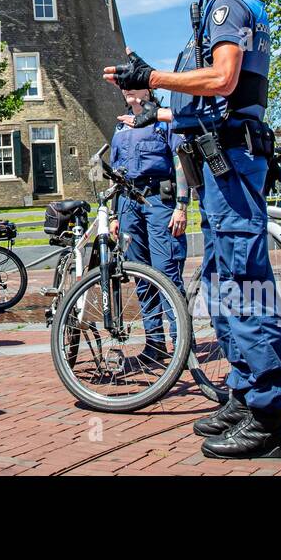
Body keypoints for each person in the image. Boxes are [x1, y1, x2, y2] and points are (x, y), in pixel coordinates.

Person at [103, 0, 281, 460]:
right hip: (215, 162)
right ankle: (242, 392)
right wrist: (147, 97)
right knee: (221, 280)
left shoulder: (230, 6)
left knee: (242, 276)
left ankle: (266, 416)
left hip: (230, 160)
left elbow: (223, 80)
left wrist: (155, 77)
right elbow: (202, 97)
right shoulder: (213, 9)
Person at [109, 88, 189, 365]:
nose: (128, 89)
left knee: (167, 274)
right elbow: (114, 172)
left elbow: (181, 162)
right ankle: (155, 346)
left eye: (134, 83)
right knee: (141, 277)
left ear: (149, 88)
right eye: (124, 85)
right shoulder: (120, 127)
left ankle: (182, 346)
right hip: (128, 204)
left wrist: (182, 206)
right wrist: (112, 215)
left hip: (159, 202)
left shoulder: (164, 120)